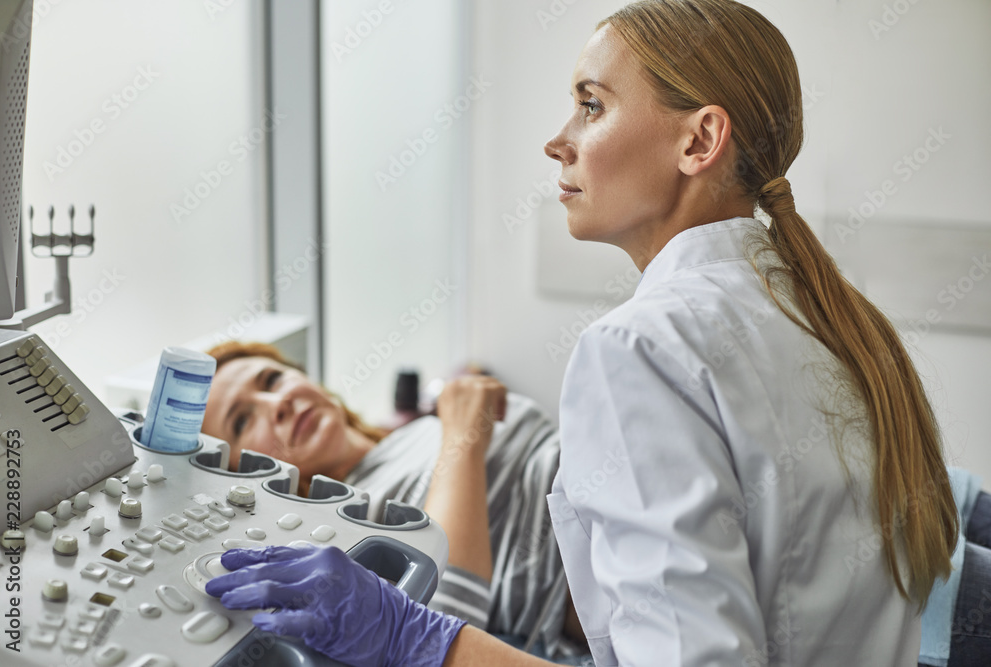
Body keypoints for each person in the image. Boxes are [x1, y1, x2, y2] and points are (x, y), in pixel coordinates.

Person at [204, 1, 961, 665]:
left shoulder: (644, 351)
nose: (557, 141)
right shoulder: (813, 308)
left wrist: (421, 642)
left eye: (591, 106)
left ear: (699, 143)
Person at [200, 341, 591, 662]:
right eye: (242, 421)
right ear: (239, 471)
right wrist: (463, 435)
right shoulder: (345, 535)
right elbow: (437, 628)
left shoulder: (409, 431)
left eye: (272, 379)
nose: (277, 403)